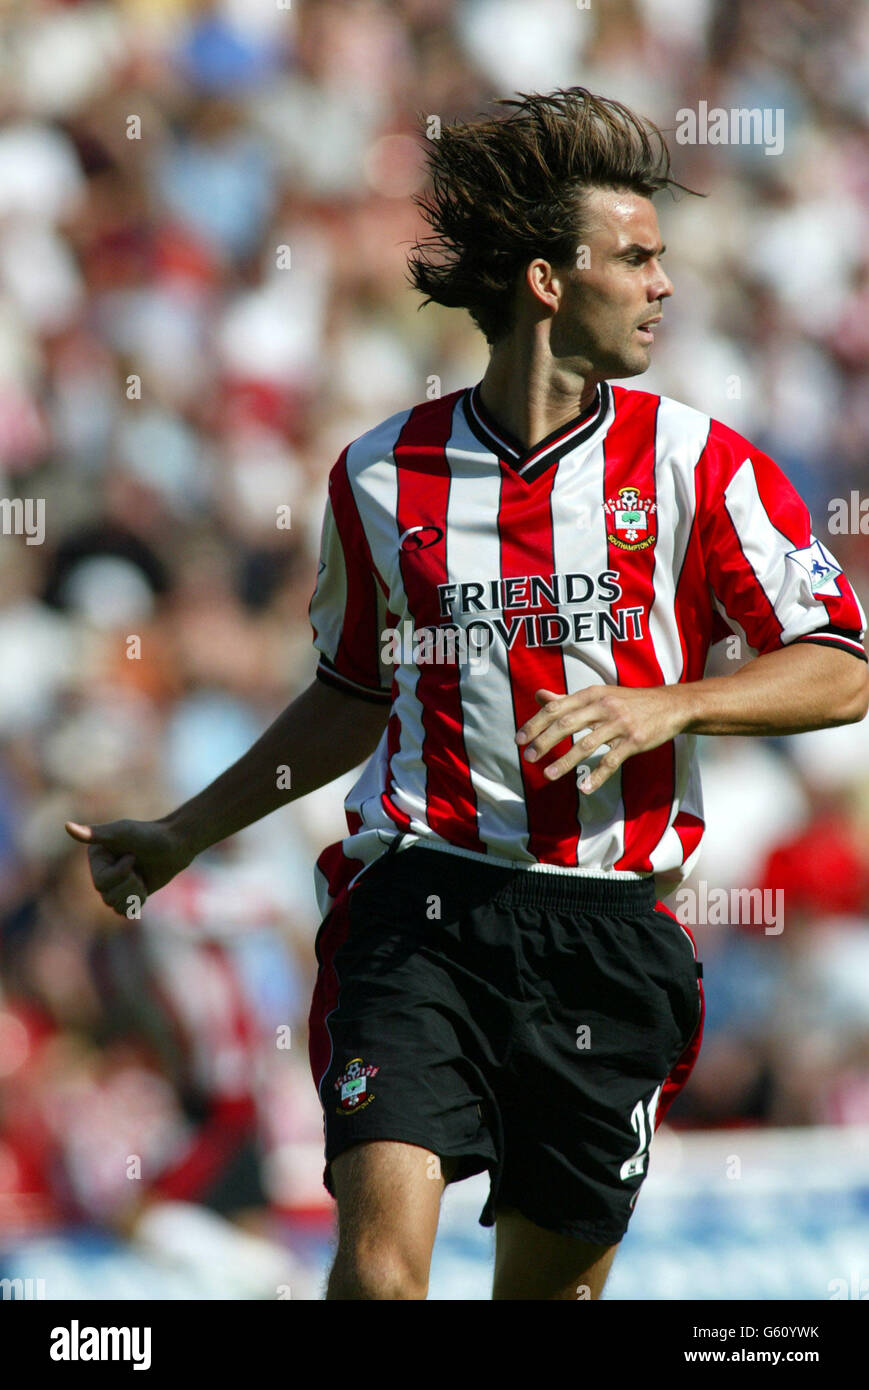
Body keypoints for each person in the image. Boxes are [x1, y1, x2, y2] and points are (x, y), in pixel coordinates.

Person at [66, 88, 869, 1300]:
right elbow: (346, 696)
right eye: (637, 257)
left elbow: (841, 665)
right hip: (419, 909)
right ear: (548, 281)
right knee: (382, 1278)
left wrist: (671, 706)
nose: (662, 285)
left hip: (608, 934)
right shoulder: (381, 475)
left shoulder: (698, 463)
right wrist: (184, 830)